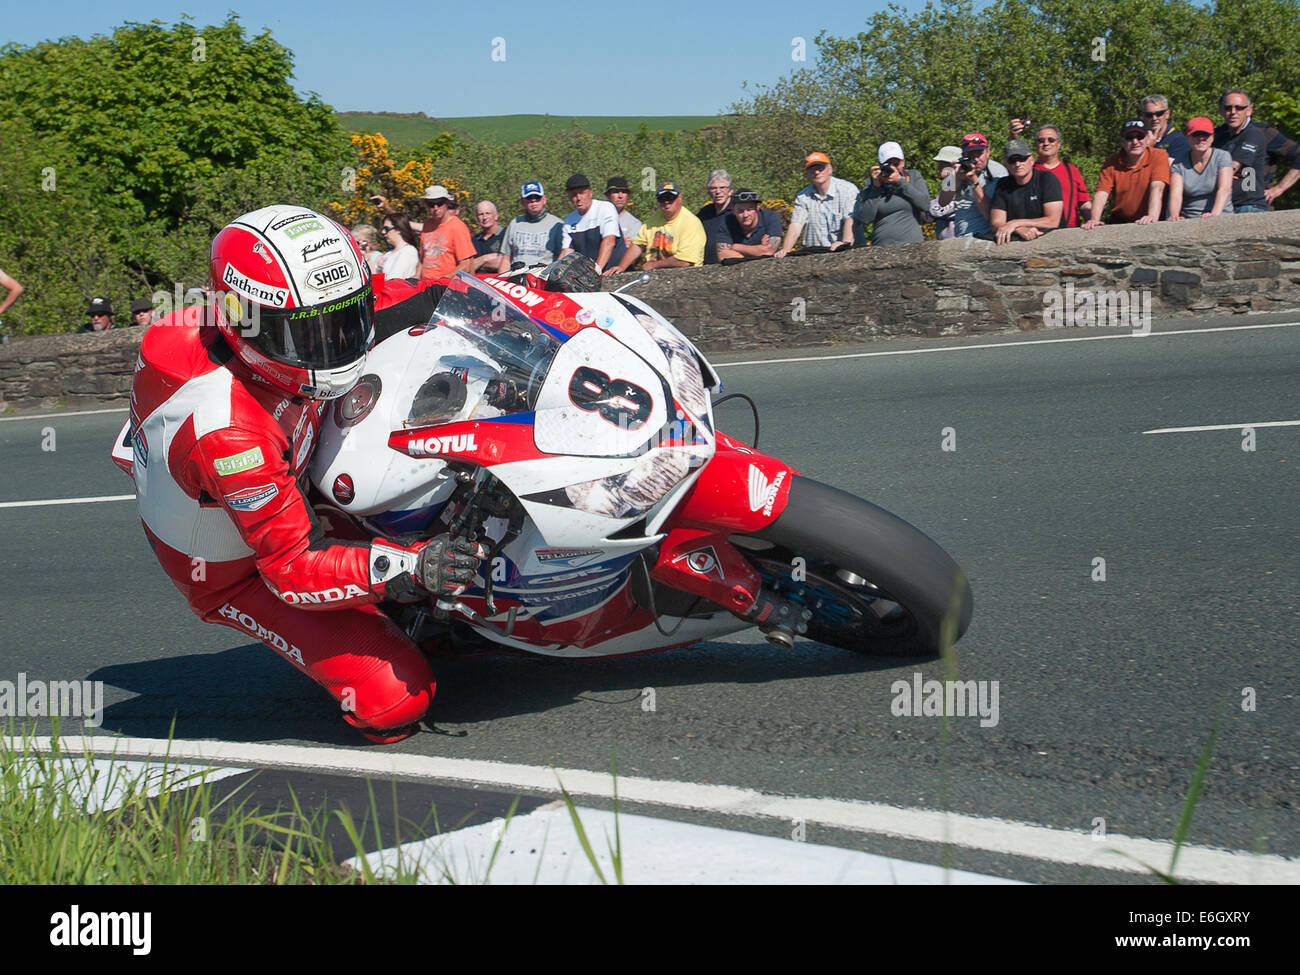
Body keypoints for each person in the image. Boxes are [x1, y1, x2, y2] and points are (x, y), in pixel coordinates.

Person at [125, 204, 486, 744]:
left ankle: (406, 600)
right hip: (243, 565)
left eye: (347, 319)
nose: (338, 345)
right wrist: (411, 567)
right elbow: (290, 570)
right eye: (309, 334)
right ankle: (393, 625)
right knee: (396, 699)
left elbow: (426, 294)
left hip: (293, 473)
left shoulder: (298, 313)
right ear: (243, 321)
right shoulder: (227, 431)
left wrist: (535, 283)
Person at [1213, 89, 1300, 212]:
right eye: (1228, 108)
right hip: (1221, 206)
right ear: (1220, 110)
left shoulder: (1263, 133)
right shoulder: (1215, 137)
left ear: (1249, 110)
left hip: (1252, 206)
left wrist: (1279, 188)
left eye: (1239, 108)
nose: (1233, 112)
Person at [1083, 120, 1169, 227]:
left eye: (1139, 136)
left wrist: (1152, 216)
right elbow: (1102, 193)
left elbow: (1157, 187)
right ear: (1122, 141)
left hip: (1151, 217)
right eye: (1130, 137)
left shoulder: (1159, 156)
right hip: (1120, 220)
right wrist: (1094, 220)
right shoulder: (1110, 163)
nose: (1135, 141)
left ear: (1147, 139)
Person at [607, 181, 706, 273]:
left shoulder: (690, 223)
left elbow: (685, 261)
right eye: (662, 198)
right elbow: (638, 244)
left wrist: (654, 265)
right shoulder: (654, 219)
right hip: (656, 277)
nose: (666, 201)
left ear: (680, 198)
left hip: (685, 277)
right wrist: (622, 267)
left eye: (671, 197)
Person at [774, 152, 857, 257]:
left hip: (844, 252)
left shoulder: (848, 190)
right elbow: (796, 224)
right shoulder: (803, 196)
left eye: (820, 168)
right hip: (814, 253)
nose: (816, 172)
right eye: (812, 169)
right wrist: (785, 250)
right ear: (807, 173)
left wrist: (845, 244)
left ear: (830, 169)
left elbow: (851, 219)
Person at [853, 141, 931, 246]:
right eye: (888, 164)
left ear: (903, 162)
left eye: (896, 163)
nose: (893, 168)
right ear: (880, 165)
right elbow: (865, 218)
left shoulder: (913, 176)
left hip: (912, 245)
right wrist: (876, 187)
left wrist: (900, 182)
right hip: (881, 246)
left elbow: (925, 205)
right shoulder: (872, 182)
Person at [989, 139, 1063, 245]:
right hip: (1016, 243)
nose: (1018, 164)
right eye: (1012, 161)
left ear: (1032, 160)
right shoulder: (1003, 185)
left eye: (1022, 159)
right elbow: (996, 223)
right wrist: (1018, 229)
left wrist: (1015, 223)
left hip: (1049, 241)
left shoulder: (1047, 179)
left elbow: (1053, 221)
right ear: (1006, 164)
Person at [1168, 117, 1234, 219]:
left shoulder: (1223, 157)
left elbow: (1224, 189)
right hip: (1190, 218)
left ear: (1212, 137)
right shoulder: (1178, 163)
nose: (1201, 139)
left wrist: (1214, 214)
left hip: (1221, 216)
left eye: (1206, 135)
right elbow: (1176, 194)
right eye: (1196, 135)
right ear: (1188, 137)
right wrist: (1174, 216)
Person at [558, 174, 625, 273]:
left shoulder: (606, 208)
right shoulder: (569, 220)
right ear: (569, 197)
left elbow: (609, 241)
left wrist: (595, 272)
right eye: (574, 194)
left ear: (590, 193)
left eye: (582, 193)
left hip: (613, 273)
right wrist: (551, 273)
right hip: (588, 277)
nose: (578, 198)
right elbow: (566, 252)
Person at [495, 181, 565, 272]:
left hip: (543, 279)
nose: (533, 200)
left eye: (537, 197)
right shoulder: (514, 223)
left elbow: (563, 258)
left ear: (544, 199)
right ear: (522, 201)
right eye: (529, 197)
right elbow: (506, 258)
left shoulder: (558, 225)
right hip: (515, 279)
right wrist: (501, 280)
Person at [1031, 124, 1091, 228]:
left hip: (1070, 231)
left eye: (1051, 140)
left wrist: (1091, 221)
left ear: (1059, 144)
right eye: (1041, 140)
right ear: (1036, 144)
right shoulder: (1028, 171)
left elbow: (1084, 203)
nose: (1046, 143)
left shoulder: (1071, 170)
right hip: (1037, 232)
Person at [951, 134, 1008, 240]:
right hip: (960, 236)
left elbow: (989, 214)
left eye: (979, 154)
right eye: (971, 155)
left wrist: (974, 181)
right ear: (964, 154)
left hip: (985, 237)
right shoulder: (958, 167)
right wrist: (954, 178)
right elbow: (942, 201)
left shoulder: (998, 172)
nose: (976, 159)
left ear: (987, 152)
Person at [417, 185, 476, 282]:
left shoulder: (457, 227)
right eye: (431, 205)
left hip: (448, 288)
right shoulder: (427, 225)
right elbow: (422, 258)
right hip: (425, 286)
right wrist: (415, 277)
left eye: (439, 203)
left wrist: (443, 280)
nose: (436, 208)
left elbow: (466, 265)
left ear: (447, 203)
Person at [716, 189, 782, 261]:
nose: (745, 215)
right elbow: (723, 255)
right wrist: (759, 251)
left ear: (757, 208)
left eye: (749, 210)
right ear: (733, 211)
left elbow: (769, 251)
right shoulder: (727, 221)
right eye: (740, 211)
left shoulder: (770, 217)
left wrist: (736, 247)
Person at [695, 169, 734, 266]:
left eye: (722, 187)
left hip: (732, 265)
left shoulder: (738, 211)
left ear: (730, 191)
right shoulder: (704, 213)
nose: (718, 192)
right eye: (713, 188)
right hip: (706, 267)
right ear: (708, 192)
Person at [1142, 94, 1190, 163]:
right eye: (1149, 115)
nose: (1154, 118)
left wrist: (1149, 149)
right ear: (1143, 116)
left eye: (1159, 113)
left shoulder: (1179, 141)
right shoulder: (1138, 139)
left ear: (1167, 114)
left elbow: (1168, 169)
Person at [928, 146, 962, 239]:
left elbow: (938, 211)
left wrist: (930, 205)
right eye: (939, 163)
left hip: (957, 242)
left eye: (944, 164)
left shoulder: (963, 187)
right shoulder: (948, 184)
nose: (939, 167)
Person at [605, 176, 642, 249]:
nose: (620, 196)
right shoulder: (598, 217)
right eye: (615, 192)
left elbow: (632, 250)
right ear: (608, 195)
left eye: (624, 192)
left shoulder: (635, 224)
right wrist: (621, 243)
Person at [379, 214, 420, 279]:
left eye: (386, 229)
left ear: (398, 229)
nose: (383, 232)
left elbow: (394, 279)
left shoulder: (408, 251)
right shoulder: (389, 253)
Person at [470, 201, 506, 272]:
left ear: (496, 216)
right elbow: (469, 267)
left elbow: (506, 262)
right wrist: (492, 258)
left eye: (487, 213)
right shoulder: (474, 240)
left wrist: (482, 260)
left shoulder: (507, 235)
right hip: (478, 282)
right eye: (480, 214)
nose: (484, 217)